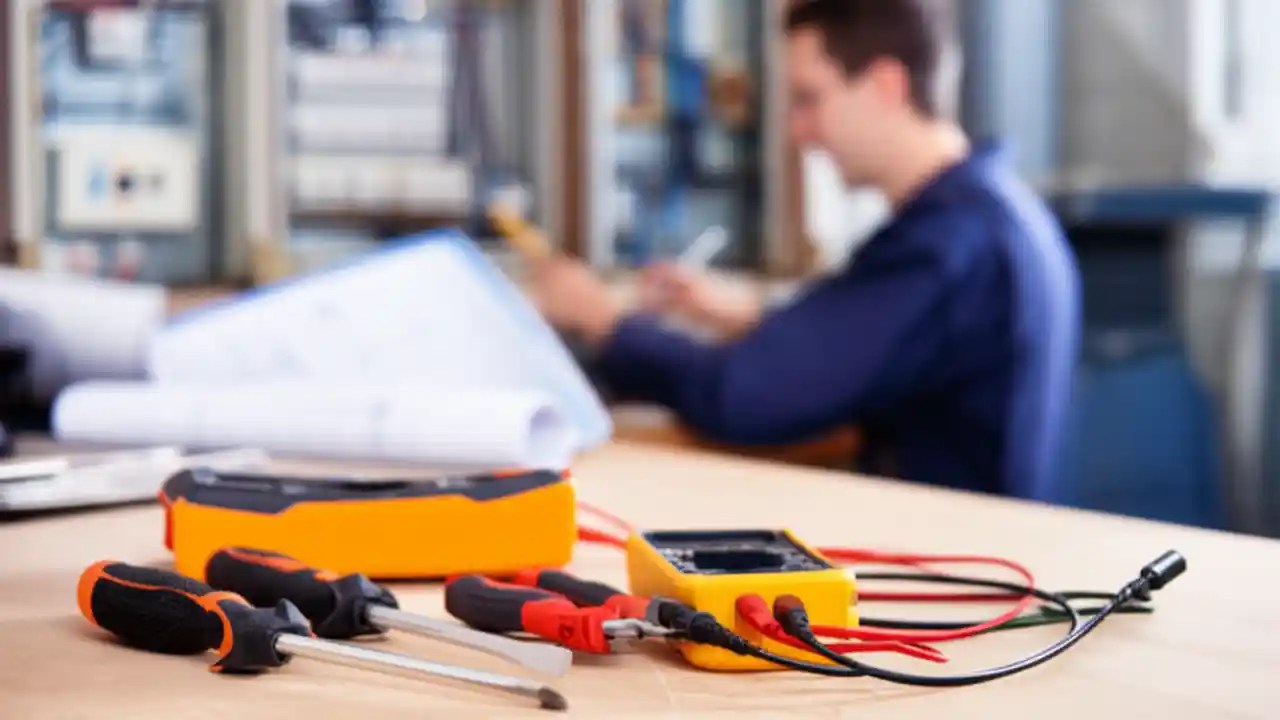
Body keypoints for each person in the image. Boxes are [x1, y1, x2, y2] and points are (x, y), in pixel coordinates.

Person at [534, 0, 1080, 498]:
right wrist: (747, 316)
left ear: (885, 85)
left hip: (951, 582)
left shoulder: (948, 245)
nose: (799, 132)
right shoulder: (992, 210)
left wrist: (603, 319)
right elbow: (880, 339)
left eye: (809, 98)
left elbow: (743, 396)